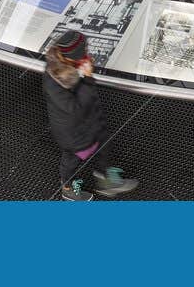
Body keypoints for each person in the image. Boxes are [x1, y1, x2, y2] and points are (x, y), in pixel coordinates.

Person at [42, 30, 139, 200]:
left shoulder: (68, 63)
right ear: (75, 55)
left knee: (104, 146)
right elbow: (76, 109)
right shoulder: (55, 81)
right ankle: (68, 188)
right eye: (84, 50)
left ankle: (107, 181)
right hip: (73, 133)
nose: (87, 52)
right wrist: (87, 79)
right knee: (71, 161)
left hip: (90, 123)